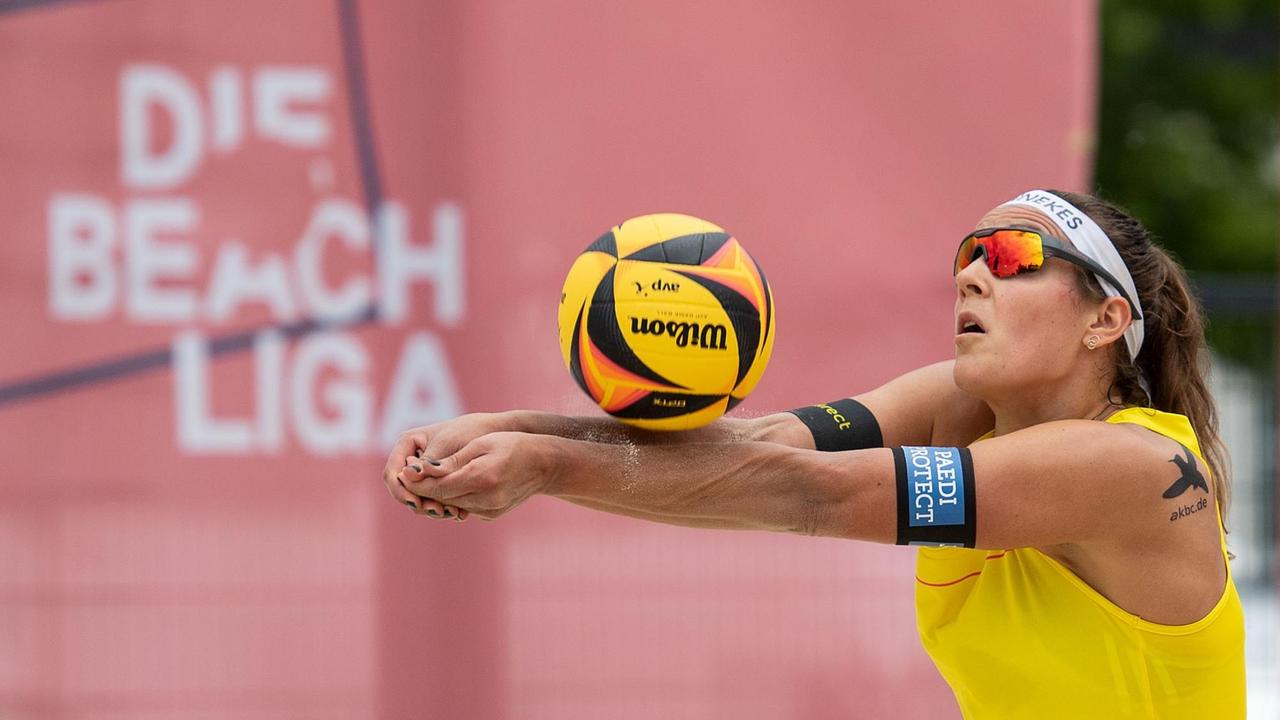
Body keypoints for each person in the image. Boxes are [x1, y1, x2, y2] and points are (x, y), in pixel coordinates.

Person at [381, 189, 1245, 718]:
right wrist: (511, 428)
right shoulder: (960, 407)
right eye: (967, 255)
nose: (972, 274)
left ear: (1106, 320)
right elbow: (759, 443)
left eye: (1014, 255)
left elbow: (816, 493)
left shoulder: (1135, 468)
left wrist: (543, 466)